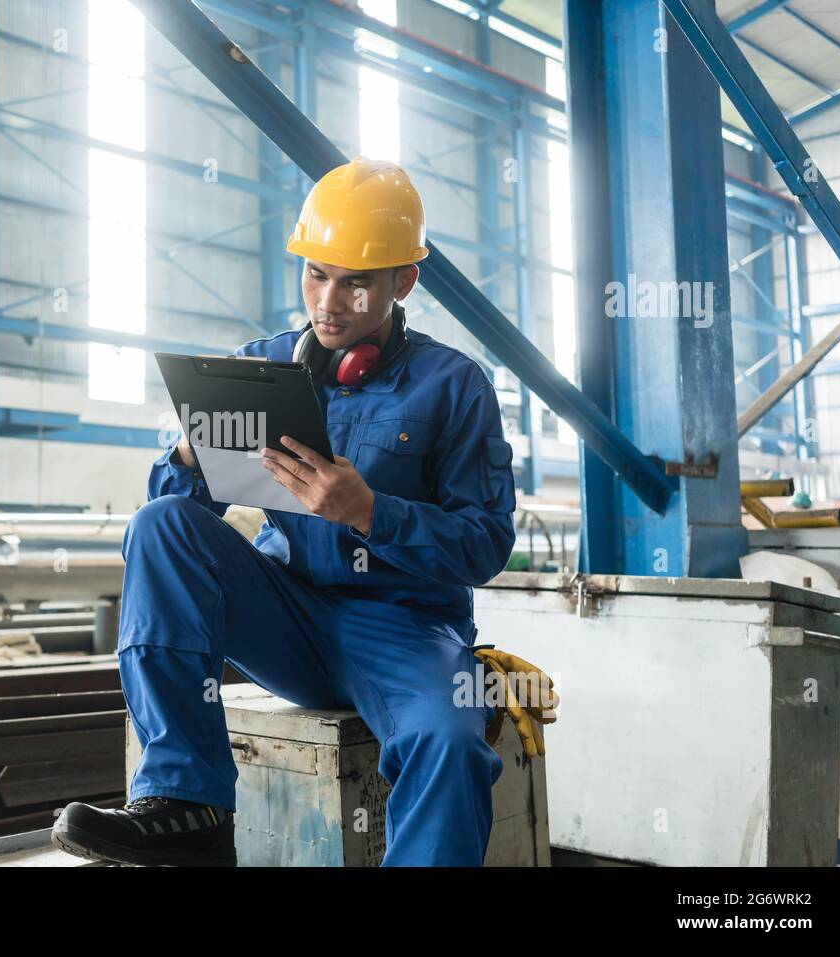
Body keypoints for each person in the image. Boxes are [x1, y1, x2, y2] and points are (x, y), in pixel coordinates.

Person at [53, 158, 518, 867]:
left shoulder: (453, 387)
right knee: (159, 525)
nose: (327, 300)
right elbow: (173, 534)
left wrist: (372, 513)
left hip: (405, 630)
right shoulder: (261, 368)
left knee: (451, 745)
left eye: (356, 282)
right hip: (287, 616)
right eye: (315, 272)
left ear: (403, 282)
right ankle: (187, 804)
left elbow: (484, 545)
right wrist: (187, 454)